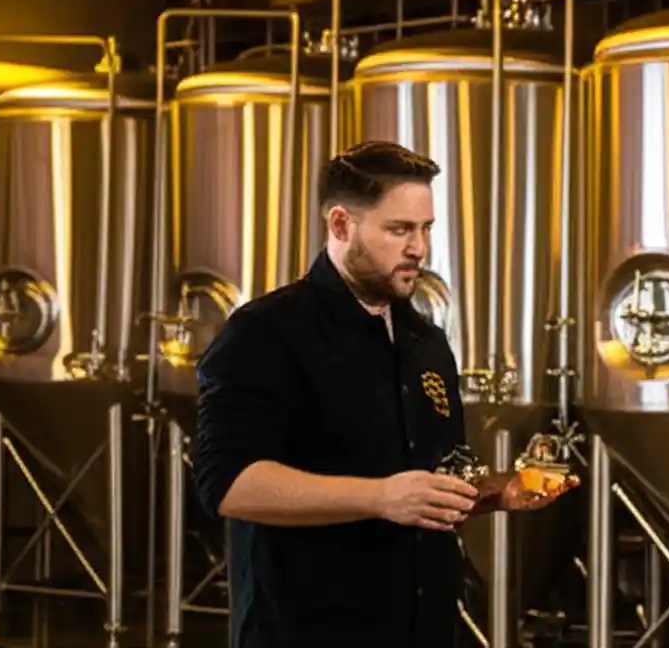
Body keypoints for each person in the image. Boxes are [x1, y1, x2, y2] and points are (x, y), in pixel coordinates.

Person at [191, 140, 575, 648]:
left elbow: (433, 480)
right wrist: (380, 497)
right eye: (399, 230)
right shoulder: (267, 332)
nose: (418, 247)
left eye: (425, 229)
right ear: (340, 225)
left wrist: (500, 491)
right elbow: (229, 484)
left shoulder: (426, 342)